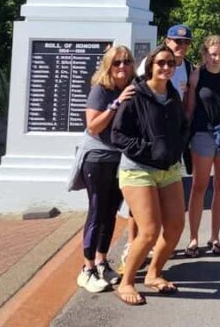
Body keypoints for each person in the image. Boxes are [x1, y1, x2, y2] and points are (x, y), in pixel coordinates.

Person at [111, 44, 188, 305]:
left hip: (169, 169)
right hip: (138, 169)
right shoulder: (136, 94)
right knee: (149, 231)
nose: (166, 68)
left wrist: (175, 149)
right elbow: (118, 135)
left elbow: (180, 127)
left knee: (176, 226)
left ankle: (154, 273)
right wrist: (148, 150)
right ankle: (126, 282)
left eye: (170, 64)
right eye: (161, 63)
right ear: (151, 65)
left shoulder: (173, 93)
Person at [75, 45, 137, 293]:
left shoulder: (132, 87)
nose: (122, 67)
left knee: (111, 211)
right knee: (97, 211)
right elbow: (93, 127)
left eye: (126, 62)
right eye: (117, 62)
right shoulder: (101, 90)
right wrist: (115, 104)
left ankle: (101, 261)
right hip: (98, 158)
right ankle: (86, 268)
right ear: (108, 65)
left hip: (119, 158)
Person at [184, 35, 220, 257]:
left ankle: (215, 236)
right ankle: (193, 238)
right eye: (212, 54)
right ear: (205, 54)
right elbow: (190, 108)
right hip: (203, 133)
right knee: (199, 186)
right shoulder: (197, 76)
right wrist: (185, 135)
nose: (216, 58)